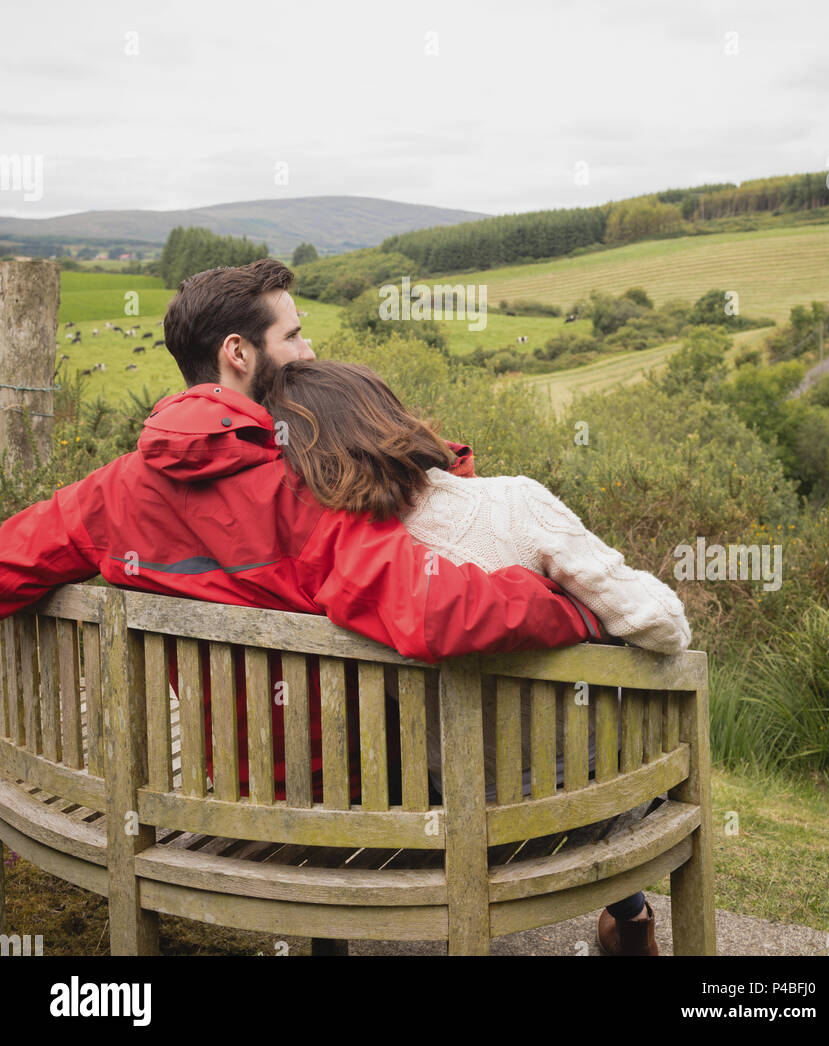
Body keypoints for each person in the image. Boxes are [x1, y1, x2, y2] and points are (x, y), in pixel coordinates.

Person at [0, 260, 601, 833]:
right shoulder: (314, 494)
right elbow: (439, 611)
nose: (309, 352)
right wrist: (578, 607)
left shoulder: (110, 492)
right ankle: (627, 911)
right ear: (238, 353)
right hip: (365, 783)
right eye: (293, 336)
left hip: (239, 779)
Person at [264, 357, 693, 957]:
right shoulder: (514, 501)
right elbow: (661, 625)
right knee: (598, 734)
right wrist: (590, 622)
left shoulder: (343, 568)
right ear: (395, 419)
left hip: (453, 803)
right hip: (599, 803)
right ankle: (633, 921)